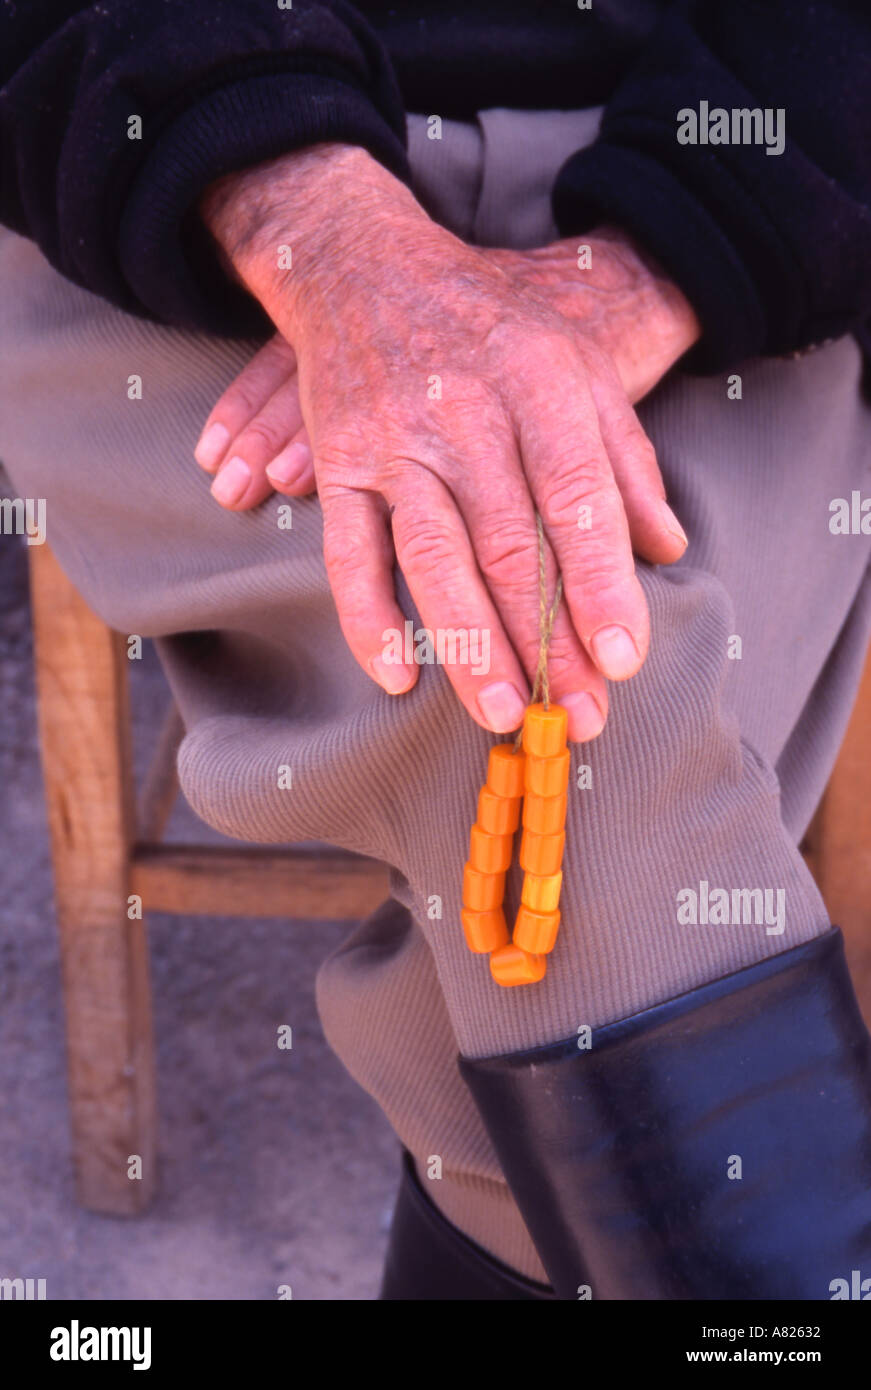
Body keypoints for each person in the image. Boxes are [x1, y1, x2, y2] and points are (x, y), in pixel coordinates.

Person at [1, 0, 871, 1299]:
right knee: (567, 746)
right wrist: (311, 218)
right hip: (164, 160)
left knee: (582, 826)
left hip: (740, 162)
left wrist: (696, 234)